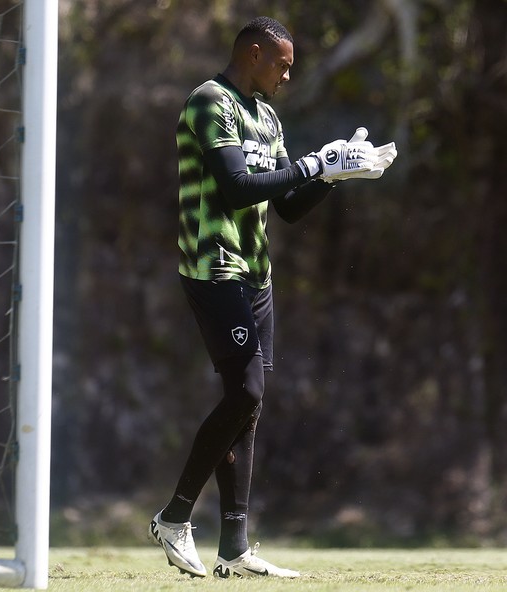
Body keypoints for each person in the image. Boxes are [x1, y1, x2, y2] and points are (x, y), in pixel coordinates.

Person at [147, 16, 397, 579]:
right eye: (283, 63)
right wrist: (316, 163)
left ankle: (234, 547)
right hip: (214, 269)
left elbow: (283, 203)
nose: (289, 74)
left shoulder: (267, 117)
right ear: (254, 53)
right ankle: (174, 516)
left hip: (256, 275)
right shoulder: (212, 102)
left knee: (249, 405)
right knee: (247, 390)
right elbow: (236, 189)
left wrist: (333, 177)